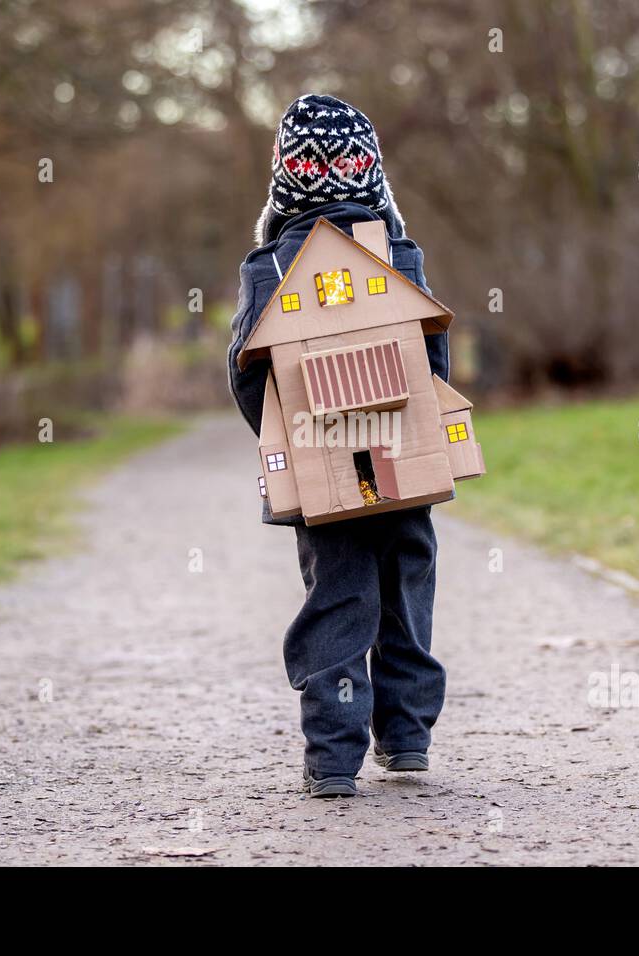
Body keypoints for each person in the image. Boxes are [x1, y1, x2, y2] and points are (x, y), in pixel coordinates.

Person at [226, 94, 450, 797]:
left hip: (324, 474)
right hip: (401, 463)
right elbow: (433, 365)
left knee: (337, 598)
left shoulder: (269, 270)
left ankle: (332, 763)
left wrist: (290, 433)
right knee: (405, 592)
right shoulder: (398, 256)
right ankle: (407, 741)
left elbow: (245, 372)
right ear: (374, 179)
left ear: (283, 184)